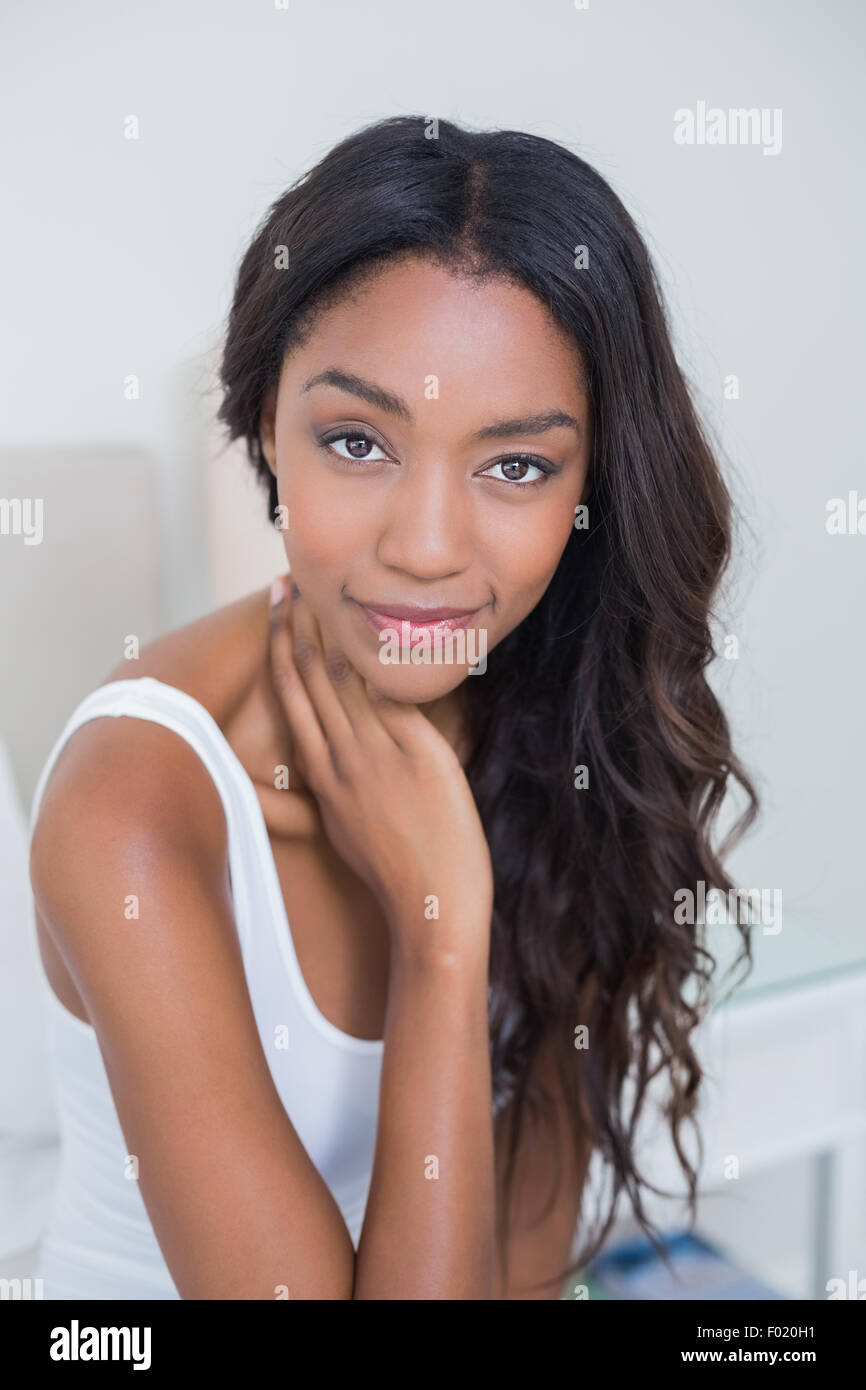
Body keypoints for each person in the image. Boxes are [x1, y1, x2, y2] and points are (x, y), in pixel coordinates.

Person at [28, 114, 757, 1300]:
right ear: (267, 425)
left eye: (515, 465)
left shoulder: (565, 734)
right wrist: (439, 928)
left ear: (593, 486)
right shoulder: (134, 803)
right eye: (357, 441)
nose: (424, 548)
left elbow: (519, 1276)